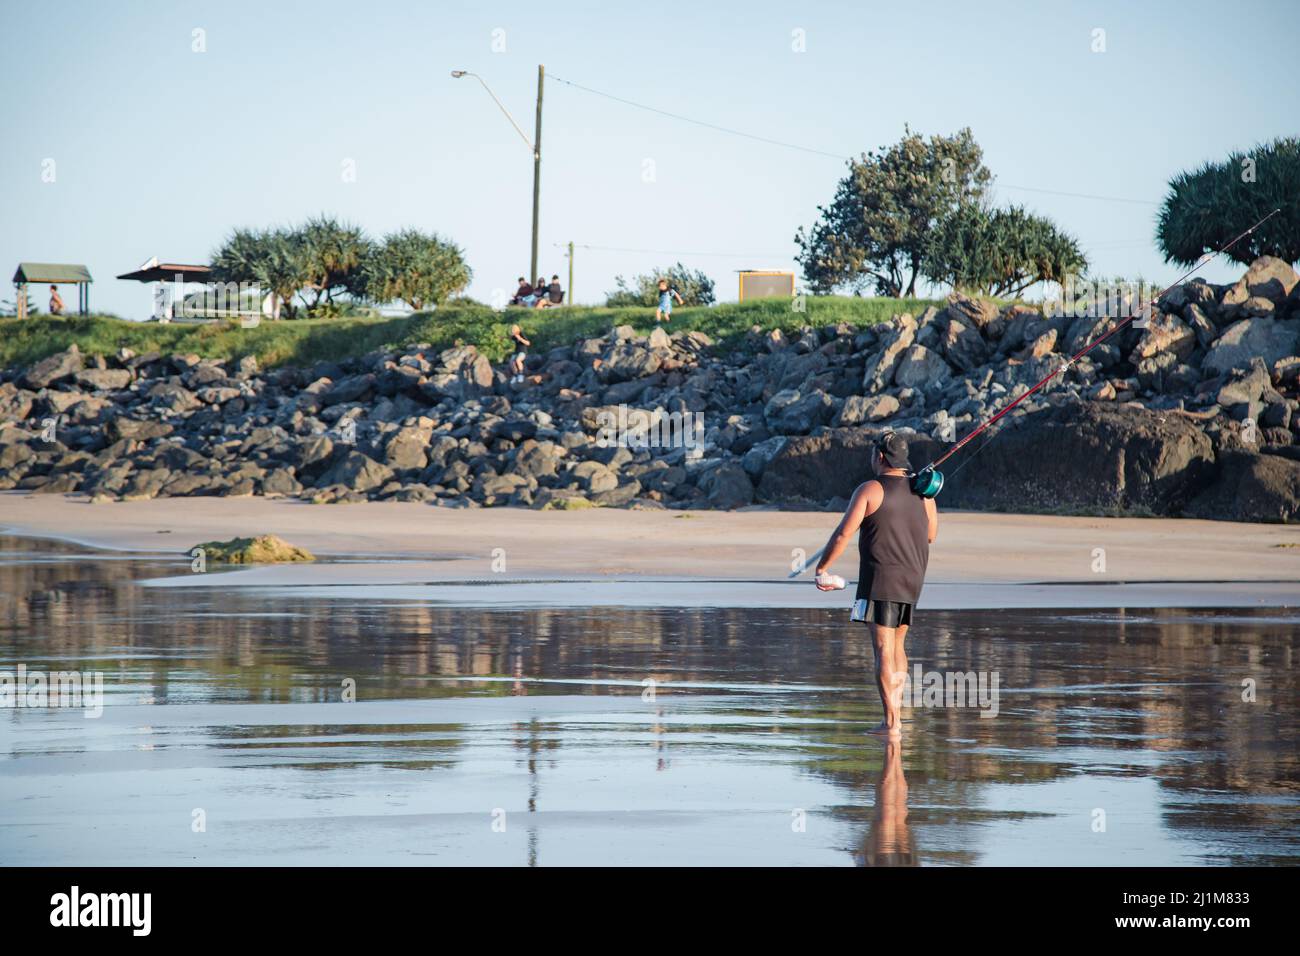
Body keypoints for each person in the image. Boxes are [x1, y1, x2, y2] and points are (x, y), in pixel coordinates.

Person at [814, 431, 938, 739]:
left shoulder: (870, 489)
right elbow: (930, 535)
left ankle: (891, 723)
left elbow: (843, 533)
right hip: (912, 579)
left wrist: (823, 568)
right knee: (897, 647)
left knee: (883, 648)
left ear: (880, 457)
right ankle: (896, 717)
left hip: (882, 578)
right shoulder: (924, 492)